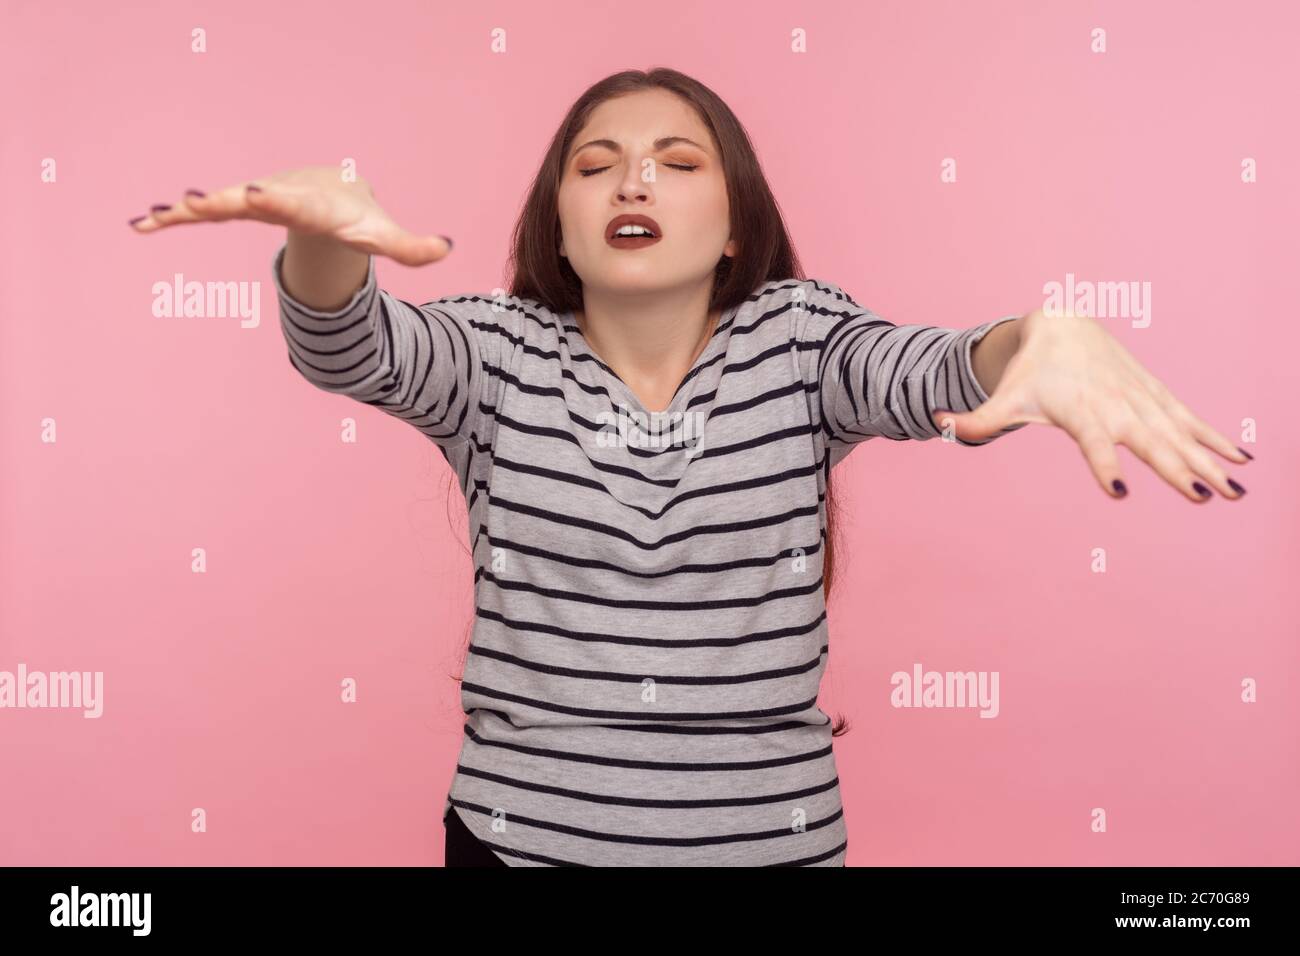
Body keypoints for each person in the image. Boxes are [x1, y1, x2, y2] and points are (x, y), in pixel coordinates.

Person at [129, 68, 1250, 867]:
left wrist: (1032, 336)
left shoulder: (803, 339)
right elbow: (350, 344)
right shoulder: (496, 351)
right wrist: (324, 240)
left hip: (774, 848)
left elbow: (932, 368)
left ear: (730, 225)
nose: (633, 185)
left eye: (675, 162)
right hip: (516, 845)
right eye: (595, 166)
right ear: (557, 227)